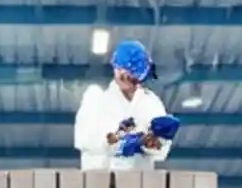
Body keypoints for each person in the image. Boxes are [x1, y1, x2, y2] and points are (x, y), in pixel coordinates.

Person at [74, 40, 174, 170]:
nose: (125, 76)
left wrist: (155, 141)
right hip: (98, 179)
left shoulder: (150, 104)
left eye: (131, 75)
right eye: (121, 71)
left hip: (138, 182)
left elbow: (160, 153)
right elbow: (84, 140)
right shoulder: (96, 98)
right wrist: (118, 142)